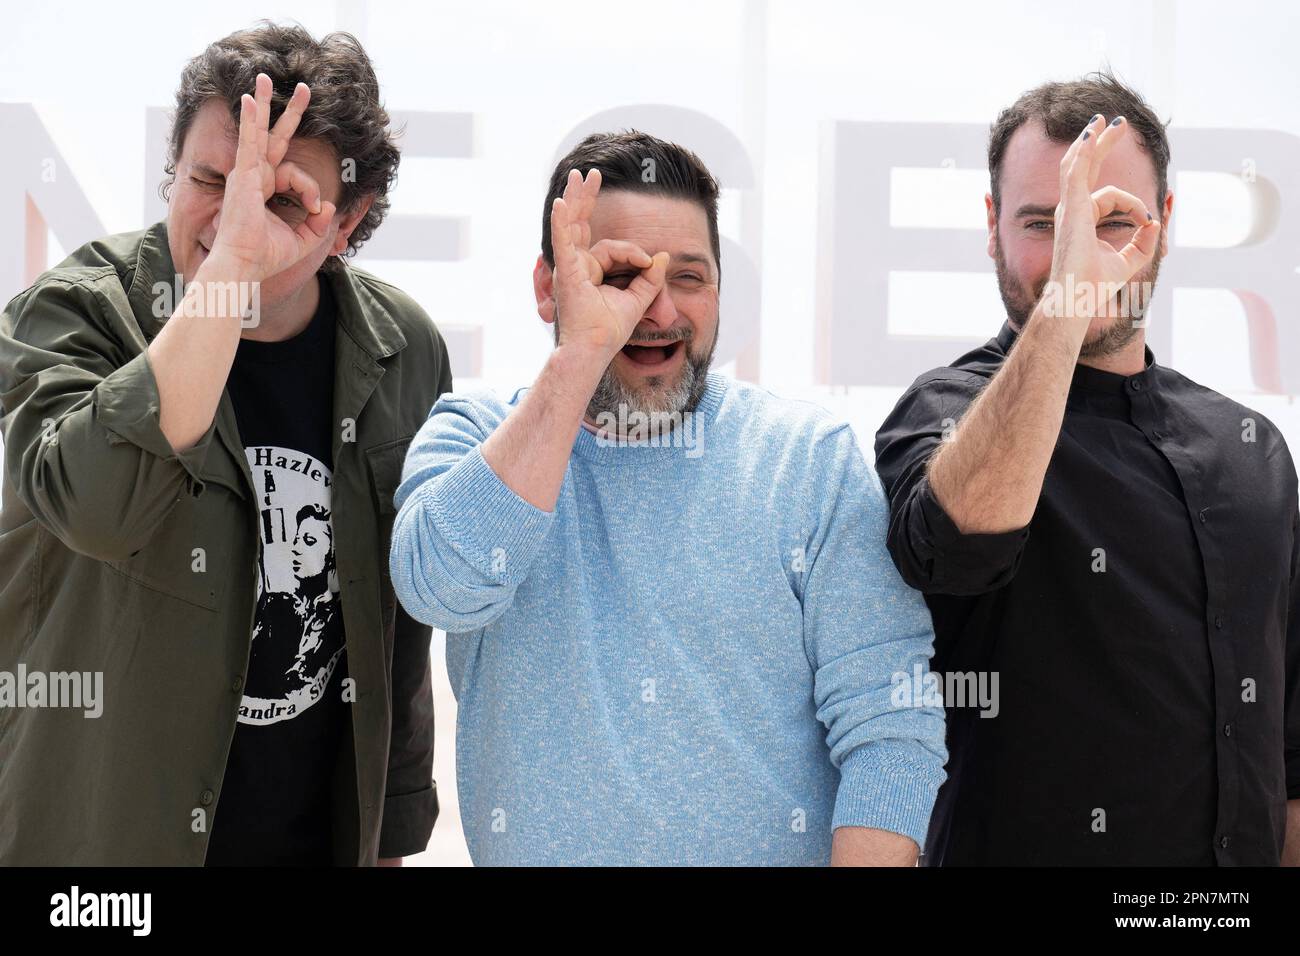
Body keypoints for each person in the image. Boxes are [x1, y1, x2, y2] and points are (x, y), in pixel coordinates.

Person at [389, 130, 947, 865]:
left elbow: (891, 726)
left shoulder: (806, 462)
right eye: (620, 277)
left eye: (689, 276)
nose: (656, 311)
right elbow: (440, 587)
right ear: (547, 286)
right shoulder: (476, 434)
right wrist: (581, 352)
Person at [0, 23, 451, 865]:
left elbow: (397, 628)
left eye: (278, 200)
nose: (231, 215)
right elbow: (99, 509)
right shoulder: (70, 316)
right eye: (211, 180)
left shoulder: (405, 349)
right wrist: (234, 263)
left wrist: (390, 833)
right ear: (171, 170)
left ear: (346, 221)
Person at [874, 73, 1300, 865]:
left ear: (1165, 224)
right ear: (992, 228)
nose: (1078, 253)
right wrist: (1068, 301)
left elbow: (1290, 741)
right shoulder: (943, 413)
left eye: (1109, 221)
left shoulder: (1254, 448)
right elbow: (956, 545)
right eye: (1045, 223)